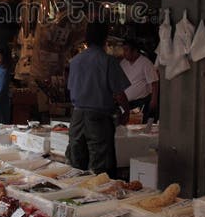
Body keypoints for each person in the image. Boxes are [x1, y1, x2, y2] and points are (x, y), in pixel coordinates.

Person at [65, 21, 130, 177]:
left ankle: (76, 195)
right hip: (99, 118)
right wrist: (126, 110)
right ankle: (98, 198)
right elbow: (119, 93)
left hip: (77, 117)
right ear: (105, 38)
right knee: (100, 166)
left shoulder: (75, 61)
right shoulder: (107, 60)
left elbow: (70, 88)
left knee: (77, 163)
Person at [120, 37, 159, 121]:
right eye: (123, 50)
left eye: (126, 50)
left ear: (134, 51)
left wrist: (154, 99)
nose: (124, 53)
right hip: (126, 103)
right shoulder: (123, 63)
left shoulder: (146, 63)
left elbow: (154, 82)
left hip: (141, 102)